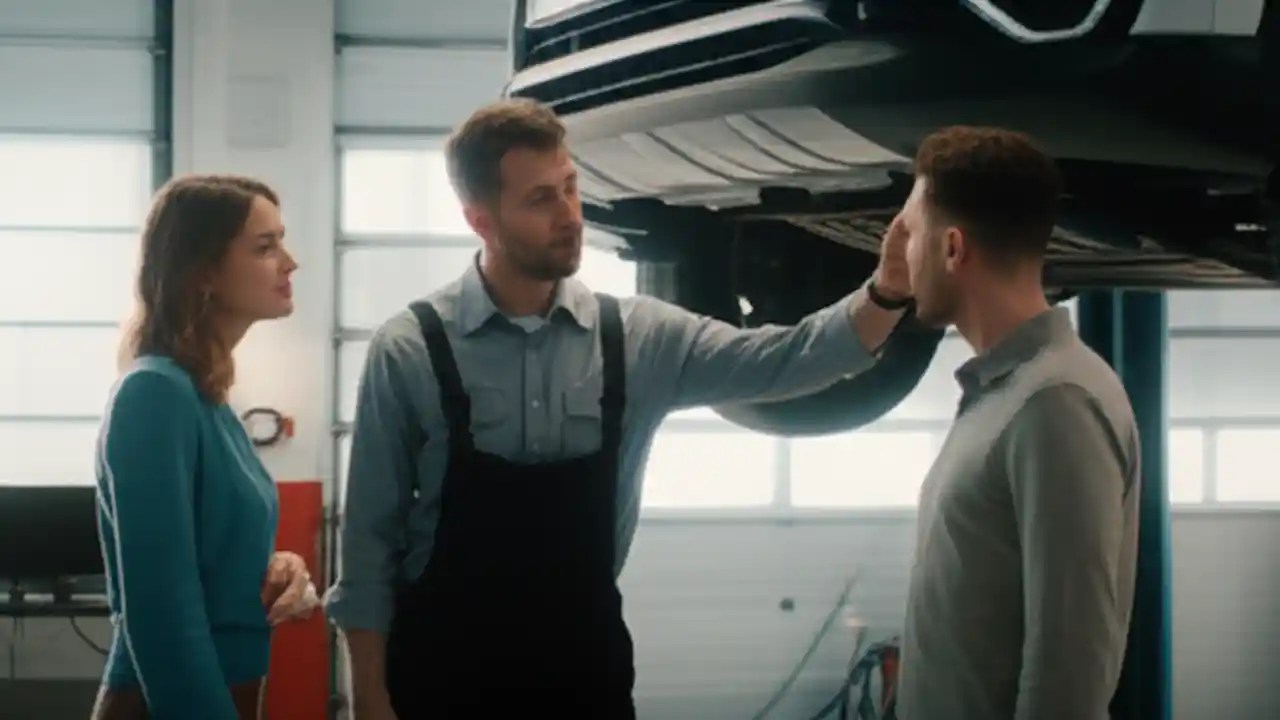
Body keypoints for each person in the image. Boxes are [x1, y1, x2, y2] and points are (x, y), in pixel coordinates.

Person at [323, 97, 915, 719]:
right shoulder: (410, 348)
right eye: (539, 199)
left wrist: (888, 292)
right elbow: (368, 545)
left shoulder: (638, 339)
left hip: (582, 673)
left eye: (570, 187)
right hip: (439, 678)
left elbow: (783, 359)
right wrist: (370, 698)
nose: (569, 215)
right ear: (481, 221)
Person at [895, 126, 1141, 720]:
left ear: (953, 249)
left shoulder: (1055, 402)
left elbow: (1069, 664)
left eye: (910, 233)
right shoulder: (1006, 393)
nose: (900, 253)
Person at [91, 174, 317, 720]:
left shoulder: (206, 397)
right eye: (265, 247)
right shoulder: (154, 393)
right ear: (203, 272)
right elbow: (161, 615)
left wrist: (279, 567)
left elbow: (206, 557)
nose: (290, 262)